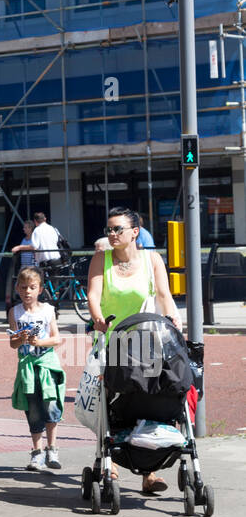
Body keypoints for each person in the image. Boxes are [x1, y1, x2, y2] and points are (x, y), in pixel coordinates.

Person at [86, 206, 181, 496]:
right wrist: (98, 319)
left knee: (148, 396)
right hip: (112, 341)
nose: (112, 234)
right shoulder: (101, 260)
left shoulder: (152, 259)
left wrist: (175, 322)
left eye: (118, 229)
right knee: (111, 401)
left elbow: (164, 296)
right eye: (109, 230)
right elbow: (93, 295)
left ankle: (149, 471)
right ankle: (109, 460)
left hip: (146, 342)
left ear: (134, 232)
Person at [9, 266, 65, 471]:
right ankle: (37, 452)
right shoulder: (15, 312)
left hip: (47, 364)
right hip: (27, 366)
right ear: (17, 288)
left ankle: (52, 448)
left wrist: (38, 342)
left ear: (40, 289)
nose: (27, 291)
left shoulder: (48, 310)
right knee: (32, 409)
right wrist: (20, 338)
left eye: (32, 287)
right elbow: (13, 344)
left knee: (51, 404)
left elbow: (57, 338)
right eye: (23, 287)